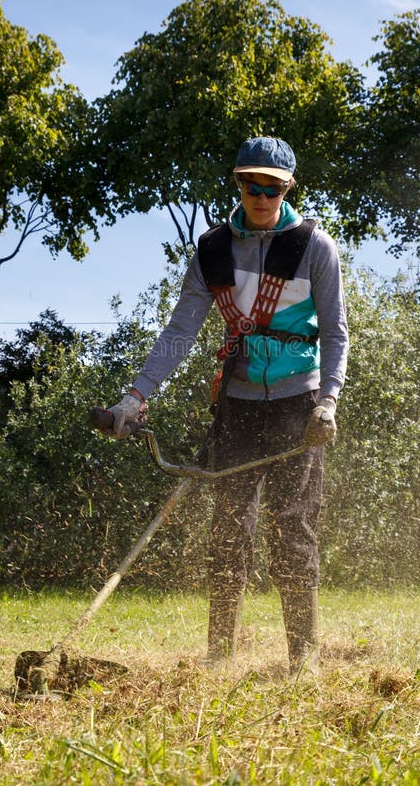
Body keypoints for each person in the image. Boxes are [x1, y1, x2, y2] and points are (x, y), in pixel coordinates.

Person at [106, 136, 348, 674]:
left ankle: (303, 658)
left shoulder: (315, 247)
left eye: (272, 187)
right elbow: (179, 332)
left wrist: (328, 400)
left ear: (288, 189)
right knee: (229, 529)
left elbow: (336, 334)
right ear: (238, 185)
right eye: (250, 185)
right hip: (237, 407)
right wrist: (135, 396)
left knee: (294, 528)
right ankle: (219, 656)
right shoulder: (213, 250)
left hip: (299, 405)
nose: (261, 196)